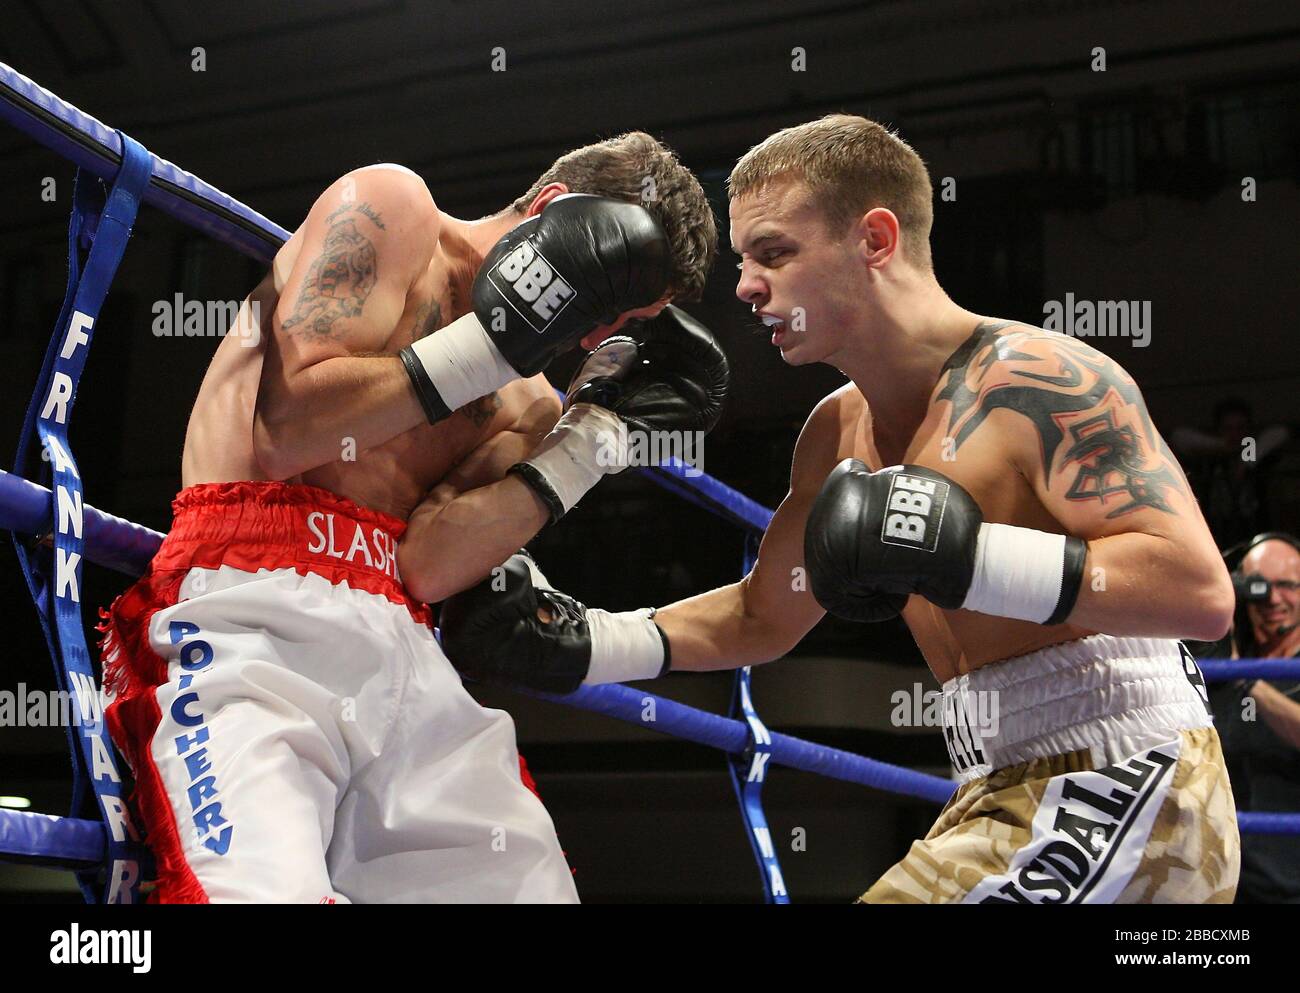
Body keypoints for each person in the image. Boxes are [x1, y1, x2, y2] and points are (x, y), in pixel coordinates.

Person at [440, 114, 1242, 904]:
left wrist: (968, 557)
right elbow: (762, 618)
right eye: (746, 259)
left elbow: (1199, 596)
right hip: (992, 781)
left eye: (775, 252)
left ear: (876, 239)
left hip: (1130, 769)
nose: (748, 285)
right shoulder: (835, 432)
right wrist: (580, 642)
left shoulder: (1040, 380)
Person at [98, 132, 725, 903]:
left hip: (404, 644)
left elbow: (429, 565)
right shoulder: (395, 209)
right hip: (251, 609)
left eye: (624, 325)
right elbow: (288, 433)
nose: (597, 339)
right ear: (559, 219)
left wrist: (589, 444)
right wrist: (493, 341)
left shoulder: (533, 402)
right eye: (608, 305)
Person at [1211, 533, 1300, 902]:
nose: (1272, 599)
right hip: (1230, 884)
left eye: (1287, 586)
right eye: (1260, 587)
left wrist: (1247, 680)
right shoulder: (1220, 666)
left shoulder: (1236, 672)